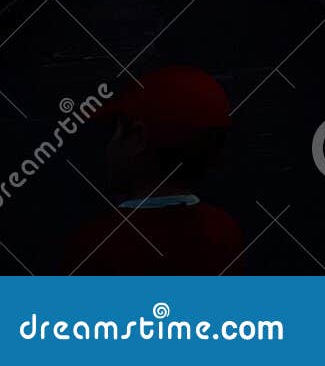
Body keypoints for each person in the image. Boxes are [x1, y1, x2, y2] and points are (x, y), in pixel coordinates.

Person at [62, 66, 244, 275]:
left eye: (115, 130)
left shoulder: (91, 245)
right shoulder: (226, 233)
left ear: (138, 138)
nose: (108, 146)